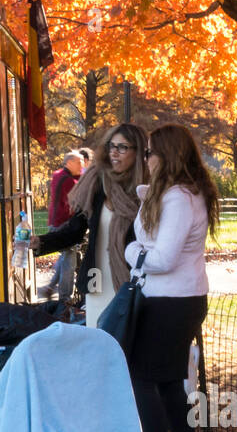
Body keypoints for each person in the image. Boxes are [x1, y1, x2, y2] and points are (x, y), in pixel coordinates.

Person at [123, 124, 219, 432]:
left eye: (150, 153)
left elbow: (163, 258)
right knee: (167, 383)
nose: (146, 159)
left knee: (141, 377)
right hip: (177, 300)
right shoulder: (182, 193)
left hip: (170, 303)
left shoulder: (179, 198)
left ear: (167, 156)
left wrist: (131, 252)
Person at [32, 123, 149, 328]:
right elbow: (75, 230)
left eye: (123, 147)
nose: (115, 152)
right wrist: (40, 242)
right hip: (99, 281)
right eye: (112, 146)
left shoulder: (148, 190)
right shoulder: (98, 184)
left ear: (138, 152)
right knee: (99, 342)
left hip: (133, 282)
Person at [40, 150, 85, 301]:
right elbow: (78, 197)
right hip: (63, 225)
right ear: (69, 162)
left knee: (65, 258)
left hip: (56, 222)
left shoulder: (58, 175)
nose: (82, 165)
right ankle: (65, 299)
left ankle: (50, 287)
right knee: (68, 265)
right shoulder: (67, 181)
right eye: (79, 163)